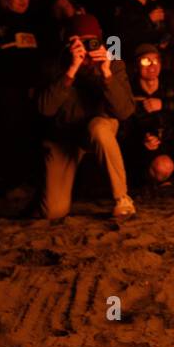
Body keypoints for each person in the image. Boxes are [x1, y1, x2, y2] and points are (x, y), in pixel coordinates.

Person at [37, 13, 136, 220]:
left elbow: (125, 111)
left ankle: (122, 198)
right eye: (81, 41)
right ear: (70, 42)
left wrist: (106, 75)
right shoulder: (55, 65)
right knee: (53, 212)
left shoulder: (113, 63)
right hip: (65, 136)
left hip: (98, 128)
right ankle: (41, 194)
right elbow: (45, 109)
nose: (88, 46)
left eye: (92, 41)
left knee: (99, 128)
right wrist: (71, 70)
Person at [127, 43, 174, 193]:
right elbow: (123, 123)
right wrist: (142, 139)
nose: (152, 66)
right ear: (136, 65)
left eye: (156, 61)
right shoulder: (129, 88)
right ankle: (147, 182)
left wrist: (163, 104)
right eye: (145, 61)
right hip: (145, 150)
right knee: (162, 168)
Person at [0, 0, 41, 200]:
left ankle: (24, 180)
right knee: (9, 134)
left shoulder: (32, 24)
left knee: (25, 134)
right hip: (6, 90)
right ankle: (9, 184)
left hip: (28, 91)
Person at [115, 0, 174, 65]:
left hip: (159, 58)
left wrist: (165, 39)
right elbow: (122, 35)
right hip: (137, 61)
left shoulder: (154, 6)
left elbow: (165, 30)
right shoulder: (123, 9)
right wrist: (148, 20)